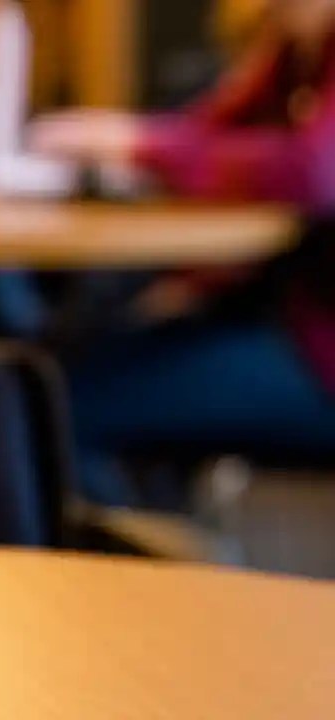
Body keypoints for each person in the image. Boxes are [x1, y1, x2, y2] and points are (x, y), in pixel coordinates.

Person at [31, 0, 335, 506]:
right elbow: (216, 125)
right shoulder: (301, 44)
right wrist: (125, 136)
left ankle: (136, 575)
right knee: (60, 367)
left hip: (319, 358)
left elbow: (312, 173)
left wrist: (138, 144)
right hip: (288, 325)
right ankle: (166, 549)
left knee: (51, 407)